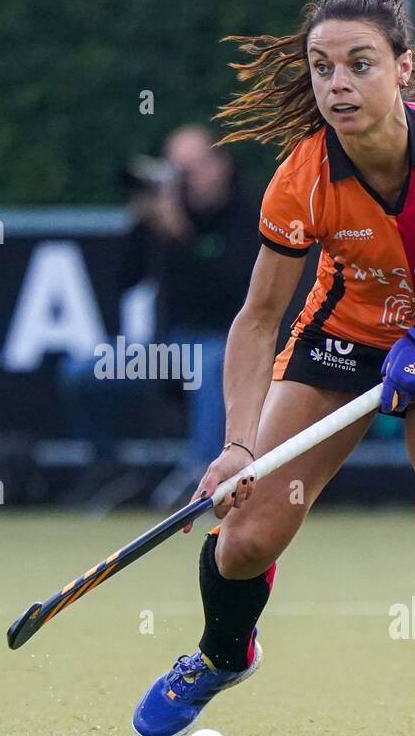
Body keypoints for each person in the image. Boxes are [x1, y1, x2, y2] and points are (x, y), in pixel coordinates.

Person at [130, 0, 415, 736]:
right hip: (341, 346)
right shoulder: (303, 177)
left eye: (360, 64)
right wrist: (237, 446)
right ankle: (223, 654)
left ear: (404, 69)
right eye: (323, 67)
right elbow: (258, 320)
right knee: (244, 539)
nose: (338, 84)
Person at [59, 125, 263, 508]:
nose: (184, 182)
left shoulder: (248, 212)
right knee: (81, 373)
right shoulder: (165, 214)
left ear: (219, 165)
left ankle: (200, 471)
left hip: (231, 349)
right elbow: (122, 279)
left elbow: (233, 287)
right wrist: (142, 225)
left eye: (191, 170)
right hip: (168, 353)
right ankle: (109, 468)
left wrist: (181, 234)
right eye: (175, 171)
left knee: (209, 362)